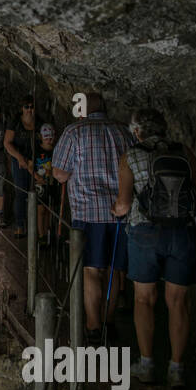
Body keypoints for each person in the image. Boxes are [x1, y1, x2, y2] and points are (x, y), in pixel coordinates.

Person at [113, 108, 196, 388]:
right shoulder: (185, 152)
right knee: (178, 302)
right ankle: (177, 368)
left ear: (137, 131)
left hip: (145, 232)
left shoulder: (131, 155)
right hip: (185, 231)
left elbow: (125, 204)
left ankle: (148, 364)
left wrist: (116, 210)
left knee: (144, 299)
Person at [52, 92, 133, 343]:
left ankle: (94, 327)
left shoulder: (75, 132)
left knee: (91, 270)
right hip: (121, 213)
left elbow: (60, 174)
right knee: (113, 271)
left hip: (88, 213)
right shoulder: (124, 132)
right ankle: (109, 322)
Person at [5, 96, 37, 238]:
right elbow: (7, 143)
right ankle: (20, 225)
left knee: (37, 194)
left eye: (31, 107)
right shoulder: (15, 123)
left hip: (36, 162)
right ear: (22, 108)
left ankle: (36, 227)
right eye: (26, 107)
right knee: (21, 193)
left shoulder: (39, 121)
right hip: (19, 162)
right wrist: (19, 157)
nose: (29, 110)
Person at [32, 124, 59, 245]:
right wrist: (37, 177)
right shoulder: (37, 150)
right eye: (46, 137)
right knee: (41, 209)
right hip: (40, 184)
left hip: (52, 183)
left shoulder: (56, 151)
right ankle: (41, 235)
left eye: (50, 137)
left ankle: (48, 234)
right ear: (41, 137)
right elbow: (30, 166)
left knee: (50, 209)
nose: (49, 140)